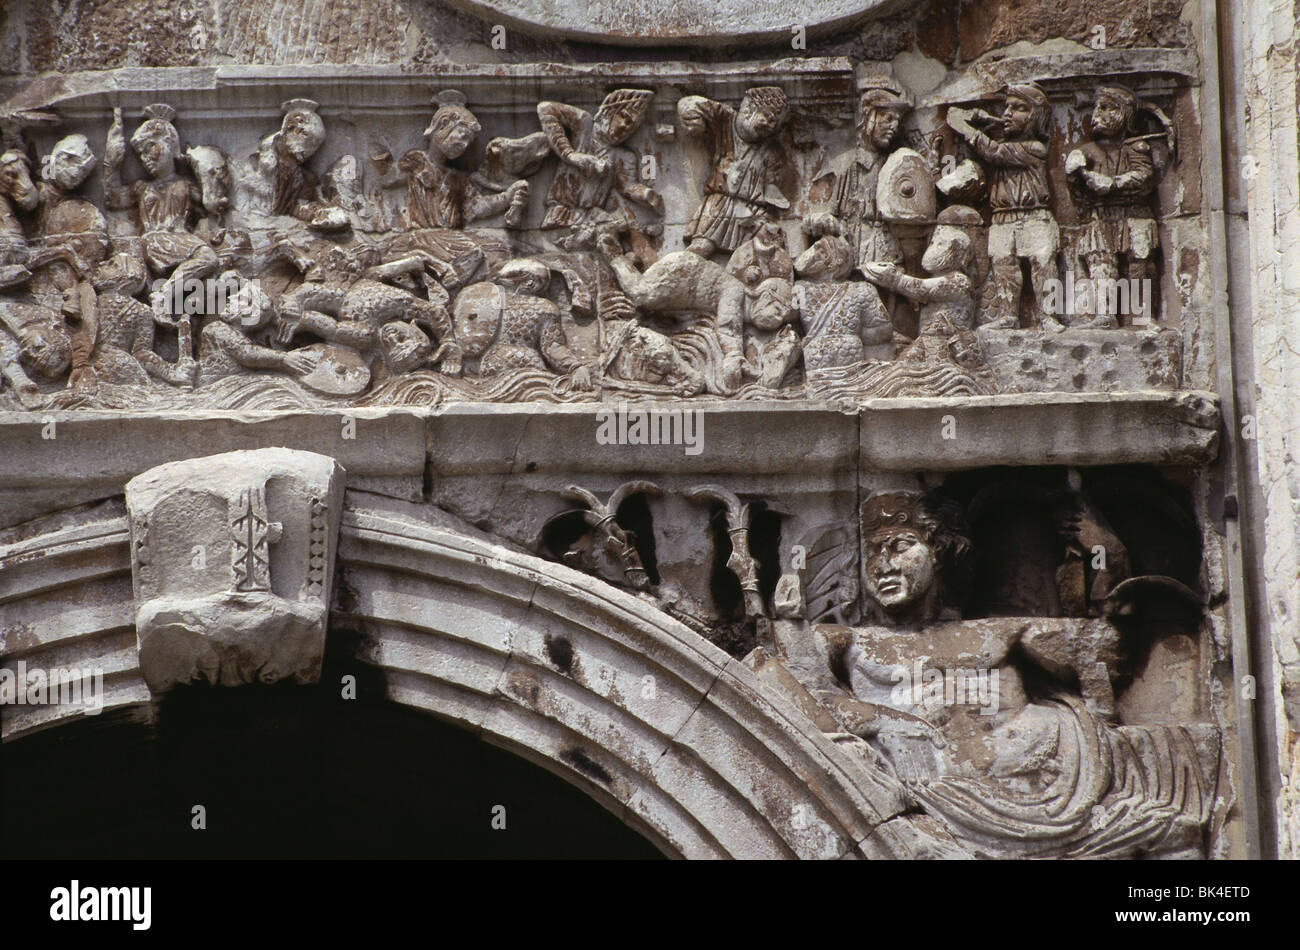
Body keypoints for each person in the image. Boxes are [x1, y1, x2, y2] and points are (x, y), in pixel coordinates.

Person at [947, 84, 1062, 330]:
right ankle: (1008, 315)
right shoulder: (1002, 141)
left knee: (1043, 263)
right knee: (1003, 265)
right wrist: (980, 118)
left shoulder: (1035, 148)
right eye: (1006, 107)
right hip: (1002, 216)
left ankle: (1048, 316)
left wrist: (967, 128)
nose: (1008, 113)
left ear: (1036, 117)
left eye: (1018, 108)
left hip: (1034, 215)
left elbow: (994, 152)